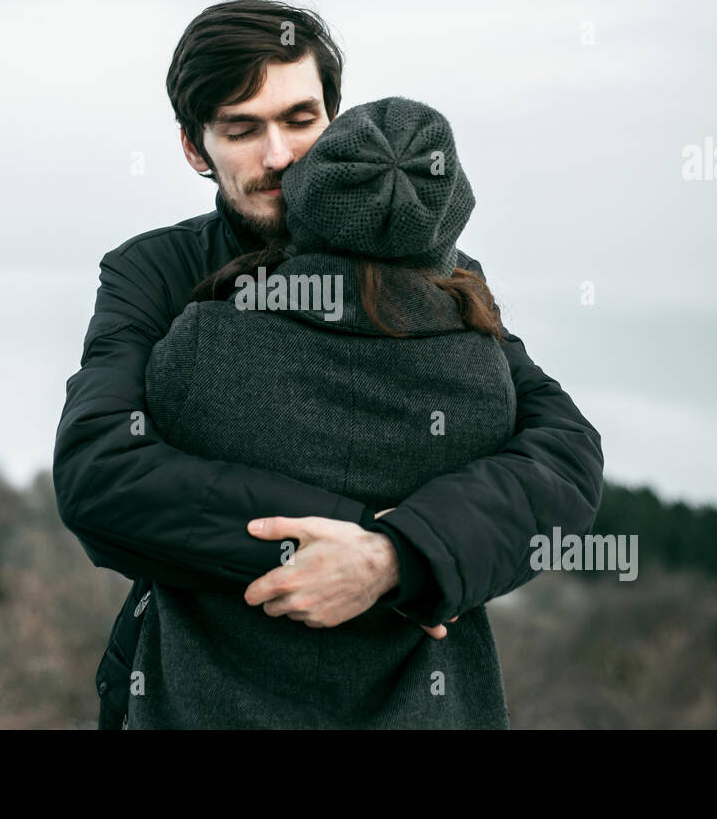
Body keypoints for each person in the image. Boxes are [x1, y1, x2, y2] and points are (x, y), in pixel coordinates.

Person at [51, 0, 605, 730]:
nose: (278, 155)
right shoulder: (156, 271)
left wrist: (393, 556)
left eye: (299, 119)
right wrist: (346, 541)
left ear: (336, 121)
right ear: (194, 147)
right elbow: (99, 471)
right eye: (242, 129)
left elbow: (565, 457)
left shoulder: (435, 268)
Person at [132, 95, 518, 727]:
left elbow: (112, 476)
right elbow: (555, 465)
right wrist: (394, 552)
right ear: (449, 220)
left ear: (312, 193)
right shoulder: (488, 381)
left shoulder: (198, 348)